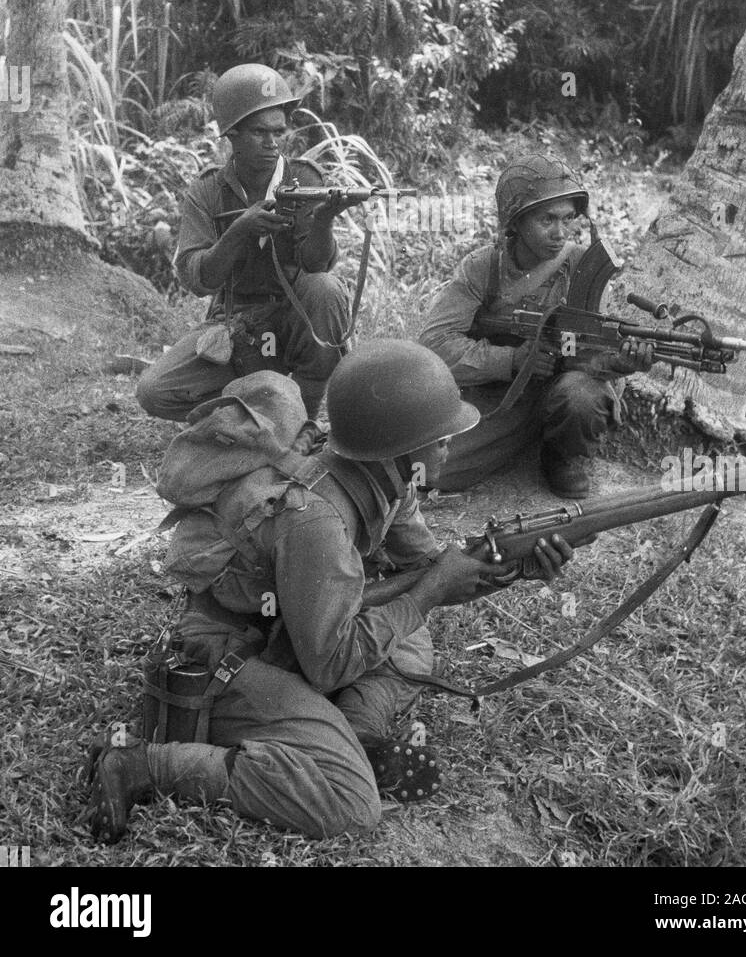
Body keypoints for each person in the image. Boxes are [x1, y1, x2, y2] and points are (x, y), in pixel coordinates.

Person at [87, 343, 572, 843]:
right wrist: (428, 593)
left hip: (289, 629)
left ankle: (356, 731)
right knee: (350, 800)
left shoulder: (390, 483)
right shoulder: (315, 519)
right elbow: (333, 661)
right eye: (441, 437)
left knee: (412, 641)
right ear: (401, 448)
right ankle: (143, 763)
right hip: (226, 659)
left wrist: (515, 566)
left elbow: (433, 570)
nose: (448, 447)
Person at [418, 153, 653, 496]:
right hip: (500, 396)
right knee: (429, 471)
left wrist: (620, 362)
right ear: (516, 222)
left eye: (568, 218)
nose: (561, 233)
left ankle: (561, 456)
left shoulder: (580, 267)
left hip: (560, 388)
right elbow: (434, 344)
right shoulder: (483, 268)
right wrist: (510, 360)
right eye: (547, 220)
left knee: (581, 396)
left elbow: (590, 353)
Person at [137, 63, 354, 422]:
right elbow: (197, 279)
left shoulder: (303, 178)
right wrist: (240, 229)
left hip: (294, 316)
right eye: (258, 132)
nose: (271, 142)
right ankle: (251, 412)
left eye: (278, 132)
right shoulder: (208, 191)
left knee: (325, 289)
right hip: (237, 324)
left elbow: (316, 265)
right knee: (154, 391)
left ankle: (304, 422)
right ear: (232, 134)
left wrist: (324, 221)